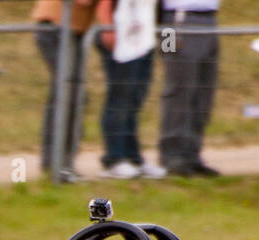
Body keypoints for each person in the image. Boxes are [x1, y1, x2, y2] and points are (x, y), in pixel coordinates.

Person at [93, 0, 163, 178]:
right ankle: (114, 159)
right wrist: (107, 27)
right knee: (120, 99)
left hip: (143, 39)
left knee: (134, 99)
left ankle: (133, 158)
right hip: (121, 38)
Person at [33, 0, 95, 182]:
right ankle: (57, 164)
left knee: (68, 94)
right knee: (68, 93)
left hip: (72, 31)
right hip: (57, 28)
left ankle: (59, 163)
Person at [158, 0, 220, 177]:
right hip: (177, 19)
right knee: (178, 87)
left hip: (209, 18)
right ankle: (172, 155)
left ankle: (192, 154)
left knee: (203, 91)